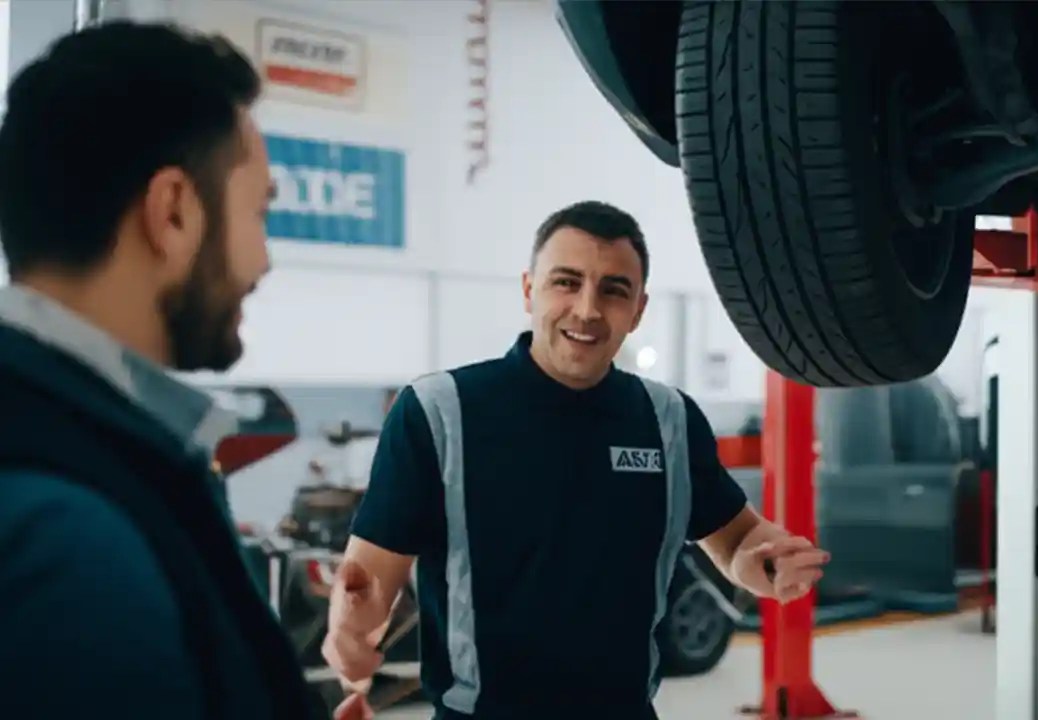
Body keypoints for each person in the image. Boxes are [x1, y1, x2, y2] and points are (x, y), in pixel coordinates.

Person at [324, 201, 832, 720]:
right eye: (566, 282)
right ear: (529, 290)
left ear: (638, 309)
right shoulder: (439, 412)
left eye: (614, 290)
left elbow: (736, 537)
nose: (587, 310)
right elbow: (369, 578)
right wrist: (351, 631)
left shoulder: (668, 419)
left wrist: (761, 561)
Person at [0, 21, 315, 719]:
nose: (264, 260)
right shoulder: (69, 540)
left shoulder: (71, 444)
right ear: (173, 212)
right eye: (259, 214)